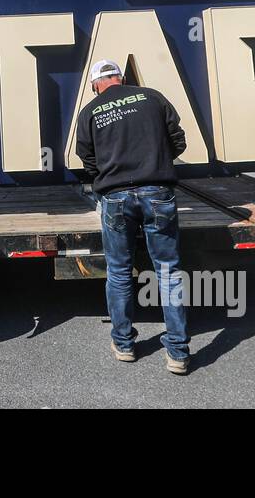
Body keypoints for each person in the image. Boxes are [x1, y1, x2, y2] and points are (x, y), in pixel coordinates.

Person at [75, 59, 190, 375]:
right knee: (168, 272)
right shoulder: (152, 97)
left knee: (119, 271)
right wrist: (154, 162)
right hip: (158, 193)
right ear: (120, 78)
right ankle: (178, 353)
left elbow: (86, 160)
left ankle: (124, 344)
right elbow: (178, 141)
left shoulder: (90, 112)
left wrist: (109, 174)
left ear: (97, 84)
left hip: (115, 198)